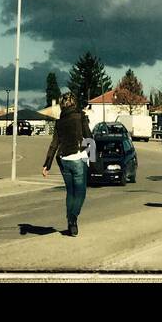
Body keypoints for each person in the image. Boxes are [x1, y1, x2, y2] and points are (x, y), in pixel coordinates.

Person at [42, 92, 93, 235]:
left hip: (63, 160)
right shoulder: (80, 116)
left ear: (62, 105)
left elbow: (54, 144)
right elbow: (89, 137)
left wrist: (47, 164)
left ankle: (72, 226)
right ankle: (72, 218)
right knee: (81, 193)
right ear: (74, 102)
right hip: (78, 157)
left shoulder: (59, 122)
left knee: (70, 192)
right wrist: (93, 158)